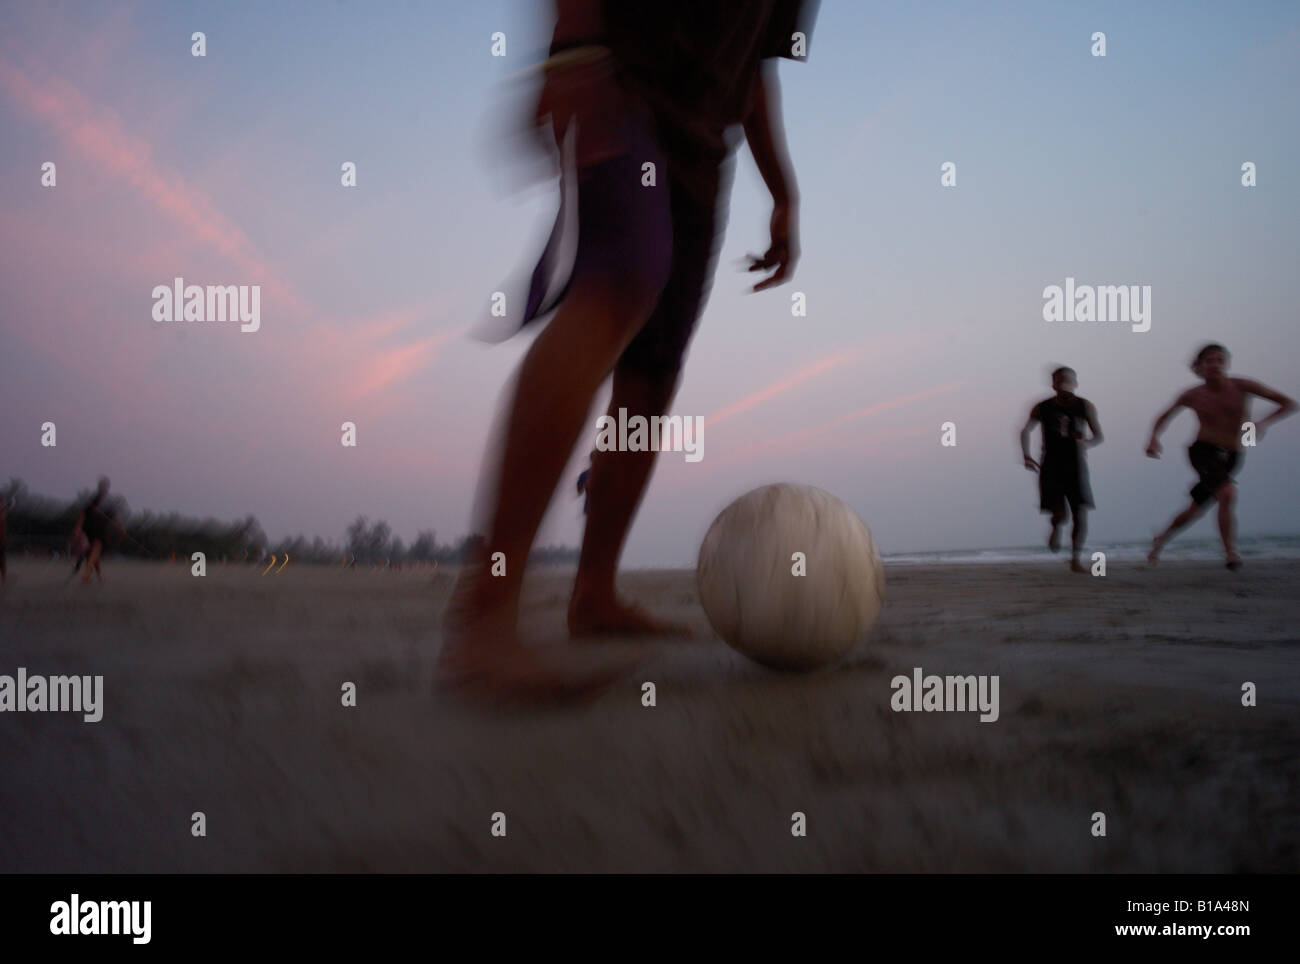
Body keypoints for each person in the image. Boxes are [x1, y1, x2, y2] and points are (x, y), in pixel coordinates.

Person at [437, 0, 818, 700]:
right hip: (620, 88)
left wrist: (782, 193)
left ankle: (594, 596)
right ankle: (482, 625)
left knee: (653, 377)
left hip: (704, 155)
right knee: (619, 283)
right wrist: (574, 50)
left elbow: (755, 72)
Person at [1146, 344, 1295, 569]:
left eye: (1219, 360)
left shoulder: (1244, 386)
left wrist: (1262, 423)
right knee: (1227, 492)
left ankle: (1161, 539)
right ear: (1200, 366)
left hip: (1233, 454)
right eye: (1209, 360)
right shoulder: (1192, 395)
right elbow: (1163, 416)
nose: (1215, 364)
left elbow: (1289, 403)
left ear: (1225, 364)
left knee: (1195, 508)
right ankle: (1230, 553)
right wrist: (1154, 439)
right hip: (1203, 450)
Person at [1020, 367, 1103, 572]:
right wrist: (1026, 455)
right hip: (1051, 464)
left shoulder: (1084, 406)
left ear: (1075, 383)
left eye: (1067, 380)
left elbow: (1098, 435)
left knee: (1079, 513)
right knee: (1060, 513)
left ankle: (1075, 558)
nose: (1063, 383)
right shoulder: (1042, 407)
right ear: (1053, 384)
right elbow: (1025, 430)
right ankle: (1056, 526)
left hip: (1075, 464)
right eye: (1059, 380)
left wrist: (1085, 442)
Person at [72, 477, 117, 584]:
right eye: (102, 486)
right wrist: (77, 528)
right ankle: (98, 576)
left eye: (105, 487)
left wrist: (120, 526)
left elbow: (114, 516)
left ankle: (87, 574)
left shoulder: (109, 501)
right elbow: (83, 513)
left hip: (101, 531)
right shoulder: (93, 500)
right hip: (89, 530)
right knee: (92, 555)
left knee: (95, 551)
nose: (103, 489)